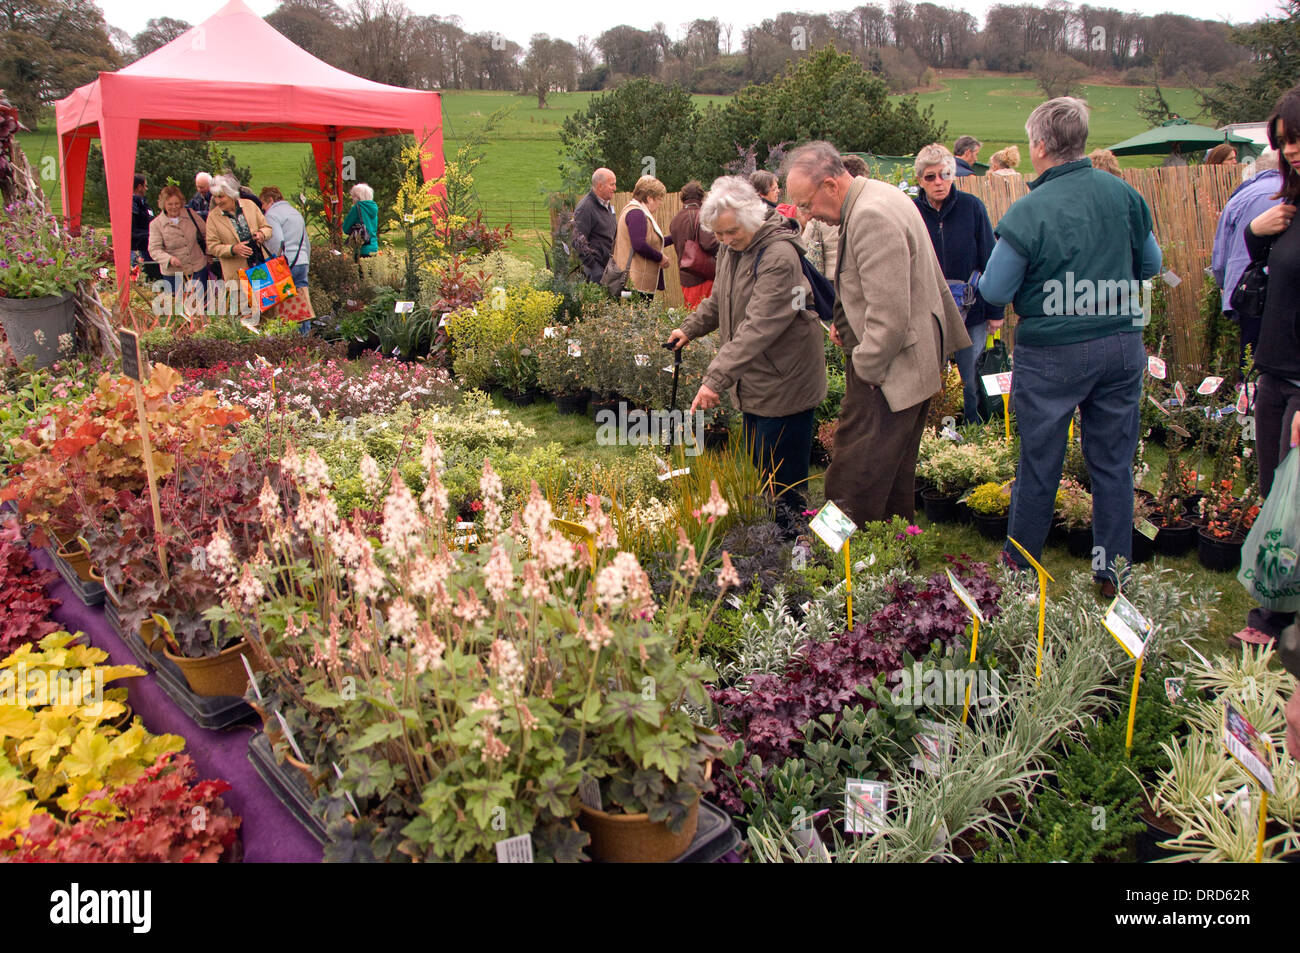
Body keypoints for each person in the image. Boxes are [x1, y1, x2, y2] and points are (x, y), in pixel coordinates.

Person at [977, 97, 1163, 596]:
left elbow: (994, 291)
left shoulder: (1030, 210)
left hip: (1054, 354)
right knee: (1112, 464)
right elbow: (1150, 265)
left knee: (1040, 464)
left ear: (1039, 146)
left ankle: (1021, 575)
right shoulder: (1124, 196)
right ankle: (1112, 573)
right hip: (1122, 345)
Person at [783, 141, 970, 526]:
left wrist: (865, 371)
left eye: (806, 203)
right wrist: (846, 323)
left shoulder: (870, 216)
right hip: (910, 361)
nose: (805, 214)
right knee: (893, 474)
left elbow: (890, 318)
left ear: (831, 186)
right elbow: (870, 286)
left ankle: (840, 565)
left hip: (889, 369)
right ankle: (895, 562)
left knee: (854, 476)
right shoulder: (877, 196)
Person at [667, 176, 827, 536]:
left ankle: (794, 551)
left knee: (784, 481)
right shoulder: (733, 249)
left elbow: (760, 326)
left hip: (786, 380)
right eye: (718, 235)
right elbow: (720, 300)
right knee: (762, 467)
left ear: (753, 215)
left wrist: (714, 380)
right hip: (758, 378)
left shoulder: (779, 256)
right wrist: (689, 328)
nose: (723, 241)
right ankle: (774, 542)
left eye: (729, 232)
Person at [1236, 86, 1300, 643]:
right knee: (1273, 489)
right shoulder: (1290, 206)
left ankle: (1277, 619)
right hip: (1276, 370)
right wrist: (1256, 236)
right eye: (1284, 142)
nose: (1293, 150)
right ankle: (1273, 613)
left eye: (1299, 137)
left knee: (1292, 500)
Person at [911, 143, 999, 424]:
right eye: (930, 177)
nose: (939, 182)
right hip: (927, 312)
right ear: (919, 180)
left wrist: (995, 312)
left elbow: (990, 259)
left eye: (945, 174)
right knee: (928, 379)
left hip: (971, 311)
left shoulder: (972, 207)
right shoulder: (911, 212)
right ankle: (932, 437)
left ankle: (971, 438)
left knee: (968, 380)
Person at [1212, 148, 1282, 368]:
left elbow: (1220, 257)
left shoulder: (1240, 198)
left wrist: (1224, 285)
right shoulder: (1291, 192)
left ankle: (1249, 397)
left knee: (1251, 357)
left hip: (1249, 291)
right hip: (1288, 291)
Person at [610, 175, 673, 300]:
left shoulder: (633, 211)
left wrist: (674, 238)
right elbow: (639, 244)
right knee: (636, 318)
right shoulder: (637, 214)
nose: (660, 204)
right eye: (659, 199)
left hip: (634, 283)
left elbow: (650, 243)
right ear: (649, 198)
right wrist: (660, 258)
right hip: (634, 283)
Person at [261, 186, 313, 329]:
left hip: (285, 263)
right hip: (301, 261)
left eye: (263, 205)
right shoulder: (295, 212)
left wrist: (274, 261)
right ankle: (305, 336)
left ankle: (289, 338)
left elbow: (277, 240)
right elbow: (306, 242)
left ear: (270, 200)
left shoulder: (272, 215)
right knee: (302, 303)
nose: (264, 209)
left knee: (283, 307)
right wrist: (306, 261)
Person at [205, 174, 273, 284]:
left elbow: (267, 228)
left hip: (260, 265)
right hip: (236, 274)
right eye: (215, 197)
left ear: (231, 194)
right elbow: (212, 246)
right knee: (242, 301)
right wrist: (233, 249)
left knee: (265, 299)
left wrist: (261, 234)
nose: (217, 201)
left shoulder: (250, 205)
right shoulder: (213, 218)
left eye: (221, 196)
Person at [147, 185, 208, 304]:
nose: (174, 207)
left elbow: (206, 234)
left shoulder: (190, 214)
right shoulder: (156, 224)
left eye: (177, 203)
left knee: (202, 305)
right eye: (170, 204)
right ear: (163, 204)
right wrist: (169, 259)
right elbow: (154, 250)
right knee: (180, 307)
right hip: (174, 274)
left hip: (198, 268)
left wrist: (209, 253)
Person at [668, 181, 718, 310]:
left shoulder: (675, 220)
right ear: (701, 197)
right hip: (703, 275)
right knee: (705, 316)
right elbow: (709, 243)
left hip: (685, 277)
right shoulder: (701, 216)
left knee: (691, 314)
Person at [572, 167, 617, 283]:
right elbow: (577, 241)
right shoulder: (585, 208)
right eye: (611, 185)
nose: (615, 188)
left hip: (608, 268)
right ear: (600, 186)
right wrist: (594, 268)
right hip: (595, 273)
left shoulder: (607, 206)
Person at [130, 174, 160, 281]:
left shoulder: (143, 204)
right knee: (141, 279)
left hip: (148, 247)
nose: (146, 189)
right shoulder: (133, 205)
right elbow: (132, 231)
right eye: (145, 186)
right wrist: (151, 234)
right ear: (139, 187)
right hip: (138, 250)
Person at [342, 183, 379, 257]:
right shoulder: (373, 207)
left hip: (361, 248)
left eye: (353, 196)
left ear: (357, 197)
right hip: (373, 247)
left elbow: (345, 228)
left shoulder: (357, 208)